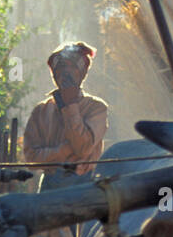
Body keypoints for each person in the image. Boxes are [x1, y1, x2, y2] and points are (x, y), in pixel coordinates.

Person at [22, 41, 109, 192]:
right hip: (49, 188)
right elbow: (31, 158)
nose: (65, 72)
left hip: (84, 186)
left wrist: (70, 106)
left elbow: (83, 149)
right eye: (61, 67)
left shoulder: (96, 108)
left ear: (82, 73)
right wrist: (67, 150)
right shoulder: (41, 111)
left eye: (72, 67)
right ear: (53, 73)